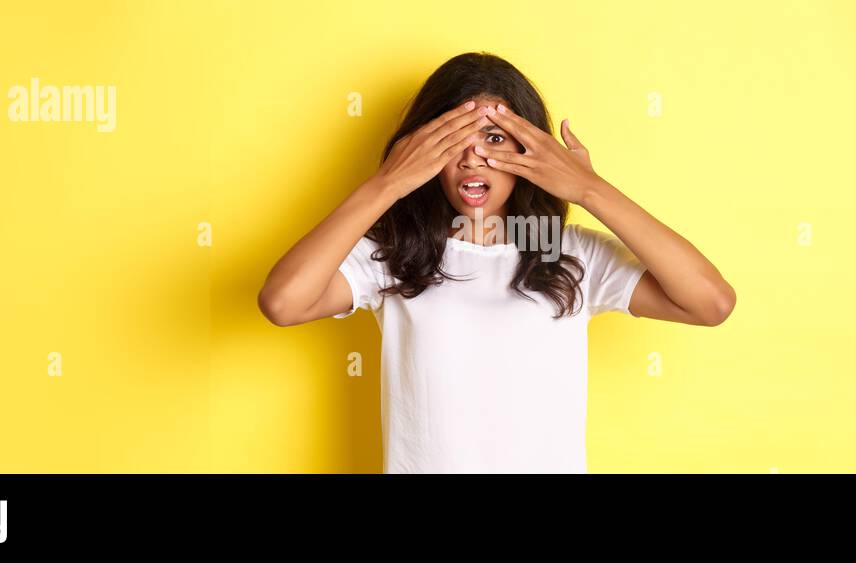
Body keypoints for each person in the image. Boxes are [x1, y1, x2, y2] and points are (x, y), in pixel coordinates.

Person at [258, 52, 736, 473]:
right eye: (453, 138)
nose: (473, 157)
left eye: (493, 137)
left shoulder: (565, 252)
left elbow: (710, 302)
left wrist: (590, 189)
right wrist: (387, 183)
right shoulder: (397, 255)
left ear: (530, 152)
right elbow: (283, 302)